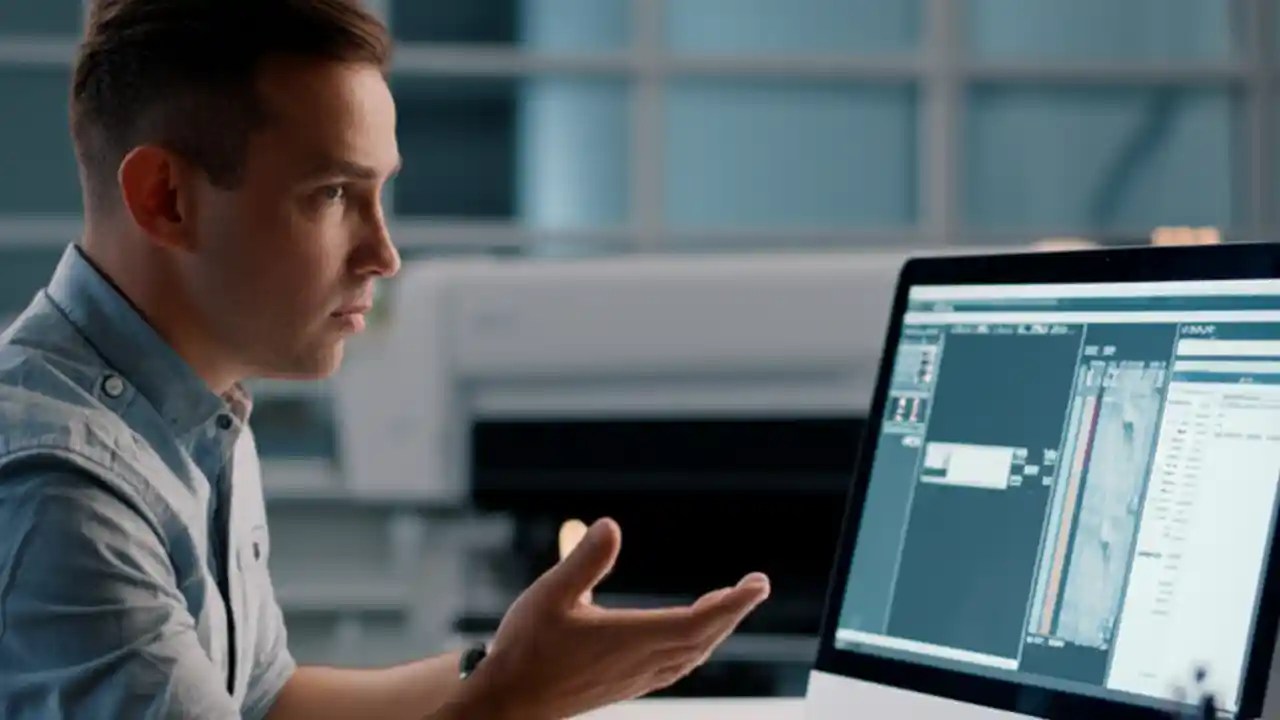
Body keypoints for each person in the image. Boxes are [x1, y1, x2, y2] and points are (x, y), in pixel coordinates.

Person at [0, 1, 771, 718]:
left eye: (378, 193)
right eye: (333, 194)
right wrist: (510, 699)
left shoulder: (188, 418)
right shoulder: (61, 495)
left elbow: (269, 701)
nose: (385, 254)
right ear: (165, 197)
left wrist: (511, 668)